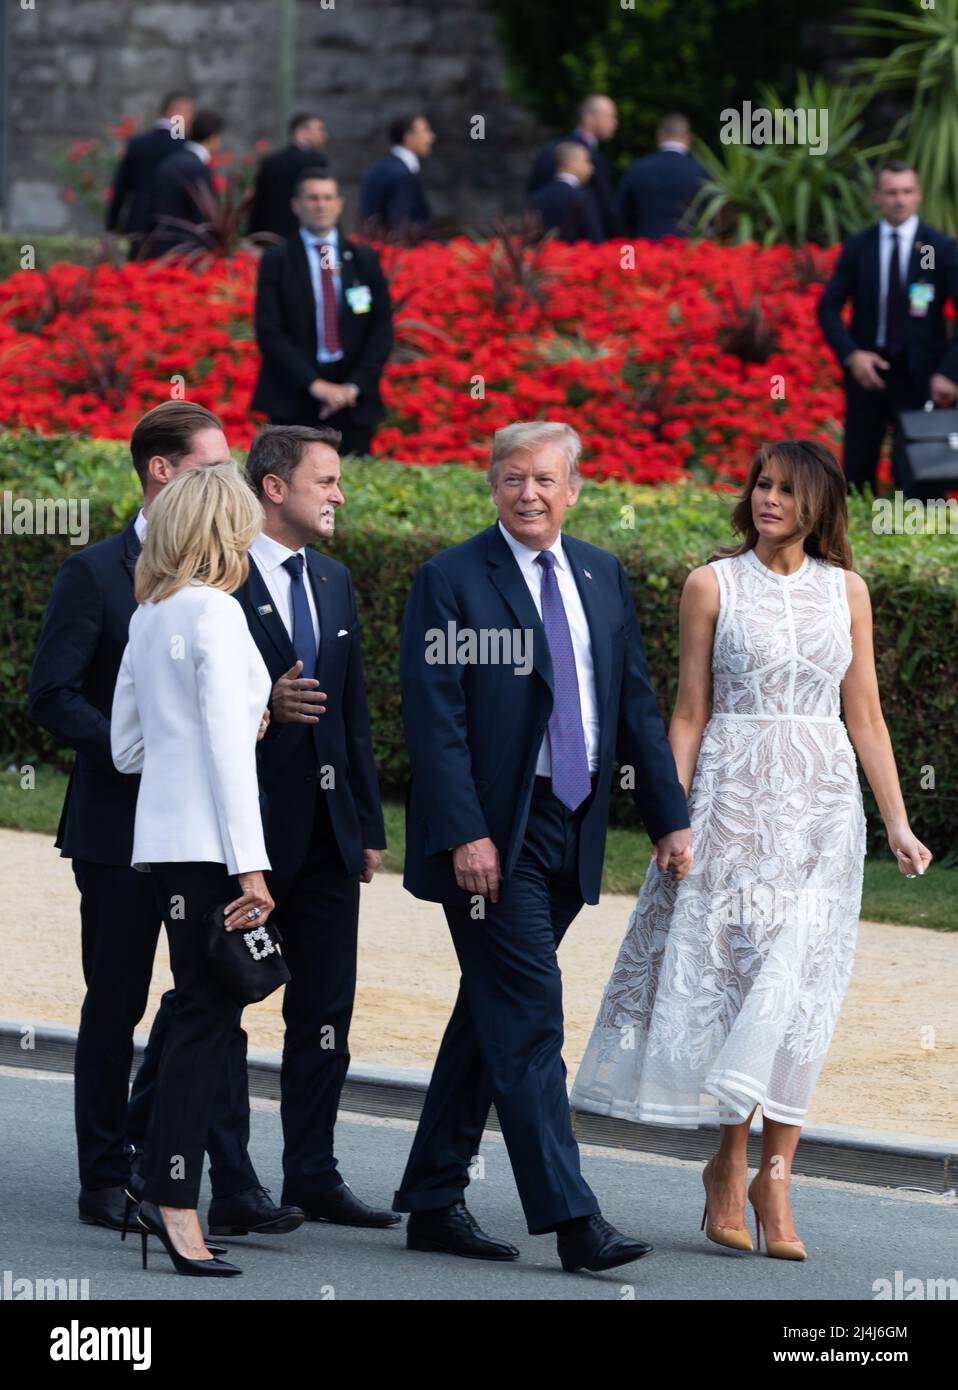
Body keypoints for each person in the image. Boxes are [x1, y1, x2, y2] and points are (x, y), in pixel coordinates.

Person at [571, 440, 932, 1261]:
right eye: (761, 486)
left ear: (818, 506)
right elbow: (689, 713)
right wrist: (673, 817)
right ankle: (729, 1165)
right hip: (733, 806)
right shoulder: (713, 583)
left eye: (786, 491)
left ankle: (779, 1174)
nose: (768, 499)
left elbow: (866, 716)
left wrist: (900, 823)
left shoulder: (848, 591)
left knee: (800, 989)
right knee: (742, 985)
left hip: (821, 810)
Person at [392, 421, 692, 1273]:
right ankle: (571, 1221)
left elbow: (633, 702)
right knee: (528, 1018)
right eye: (512, 478)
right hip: (493, 833)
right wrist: (466, 832)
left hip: (575, 818)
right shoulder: (449, 578)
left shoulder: (600, 572)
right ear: (491, 485)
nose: (529, 492)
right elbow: (434, 720)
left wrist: (669, 815)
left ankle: (431, 1197)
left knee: (490, 1011)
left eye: (545, 479)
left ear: (574, 489)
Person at [28, 402, 293, 1240]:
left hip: (186, 830)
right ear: (161, 469)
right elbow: (52, 694)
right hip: (116, 832)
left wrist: (259, 711)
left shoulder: (219, 578)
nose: (231, 482)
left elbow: (233, 701)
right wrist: (154, 746)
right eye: (214, 466)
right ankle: (105, 1178)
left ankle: (225, 1181)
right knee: (117, 1003)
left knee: (207, 998)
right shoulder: (98, 572)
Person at [111, 463, 275, 1276]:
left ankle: (160, 1187)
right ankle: (175, 1202)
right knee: (209, 1025)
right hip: (215, 851)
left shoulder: (151, 613)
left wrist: (237, 723)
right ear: (225, 529)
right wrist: (253, 868)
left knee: (199, 1017)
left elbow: (127, 747)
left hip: (165, 846)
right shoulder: (218, 612)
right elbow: (221, 749)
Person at [234, 425, 395, 1226]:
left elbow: (353, 713)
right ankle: (225, 1180)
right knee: (220, 999)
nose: (337, 495)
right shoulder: (218, 577)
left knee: (325, 1011)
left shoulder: (332, 579)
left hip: (330, 836)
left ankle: (313, 1174)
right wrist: (264, 704)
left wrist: (366, 823)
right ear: (273, 487)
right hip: (242, 840)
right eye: (324, 481)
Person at [818, 161, 958, 498]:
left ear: (919, 196)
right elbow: (828, 307)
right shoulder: (859, 246)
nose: (900, 200)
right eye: (891, 192)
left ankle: (920, 543)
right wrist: (852, 355)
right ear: (876, 197)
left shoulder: (937, 247)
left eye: (907, 192)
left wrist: (949, 373)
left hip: (921, 377)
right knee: (856, 472)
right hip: (869, 373)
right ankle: (855, 545)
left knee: (922, 478)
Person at [252, 170, 393, 456]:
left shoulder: (363, 259)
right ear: (296, 205)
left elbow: (381, 329)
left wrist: (351, 388)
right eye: (313, 198)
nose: (321, 205)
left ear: (339, 204)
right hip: (294, 399)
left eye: (328, 198)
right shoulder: (276, 261)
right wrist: (316, 386)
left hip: (352, 402)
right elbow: (269, 331)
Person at [105, 93, 194, 259]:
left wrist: (111, 226)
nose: (190, 120)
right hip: (173, 231)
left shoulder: (138, 143)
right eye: (188, 113)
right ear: (176, 112)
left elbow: (121, 188)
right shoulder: (183, 147)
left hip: (138, 225)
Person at [527, 95, 619, 240]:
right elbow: (603, 209)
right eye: (609, 116)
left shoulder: (549, 149)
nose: (614, 123)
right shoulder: (588, 155)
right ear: (588, 117)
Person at [144, 108, 224, 259]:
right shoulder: (199, 168)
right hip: (191, 252)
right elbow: (206, 216)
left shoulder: (168, 162)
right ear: (213, 138)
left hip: (160, 247)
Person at [617, 113, 708, 241]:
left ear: (659, 134)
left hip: (645, 248)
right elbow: (711, 217)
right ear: (689, 137)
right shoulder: (701, 171)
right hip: (688, 250)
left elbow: (621, 213)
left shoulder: (638, 168)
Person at [247, 111, 329, 240]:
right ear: (301, 131)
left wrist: (254, 238)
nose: (324, 135)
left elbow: (258, 206)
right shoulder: (316, 162)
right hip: (305, 239)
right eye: (319, 129)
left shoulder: (270, 162)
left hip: (272, 238)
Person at [359, 113, 434, 238]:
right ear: (409, 137)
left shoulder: (381, 168)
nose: (431, 137)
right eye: (426, 131)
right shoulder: (402, 175)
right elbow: (403, 228)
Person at [527, 141, 603, 244]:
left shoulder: (537, 197)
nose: (591, 168)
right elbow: (595, 241)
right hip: (579, 258)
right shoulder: (583, 197)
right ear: (571, 163)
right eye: (587, 161)